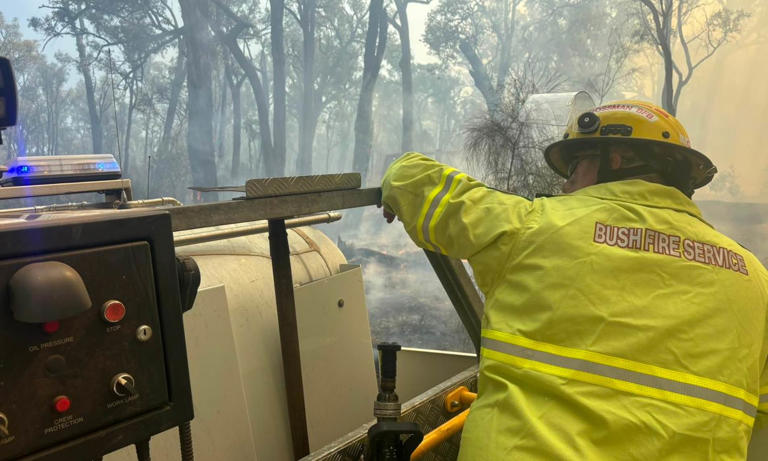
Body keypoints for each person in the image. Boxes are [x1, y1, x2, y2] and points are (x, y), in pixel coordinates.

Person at [380, 100, 768, 460]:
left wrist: (394, 183)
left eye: (574, 168)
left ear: (616, 159)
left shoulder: (533, 227)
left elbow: (412, 177)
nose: (565, 185)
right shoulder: (755, 280)